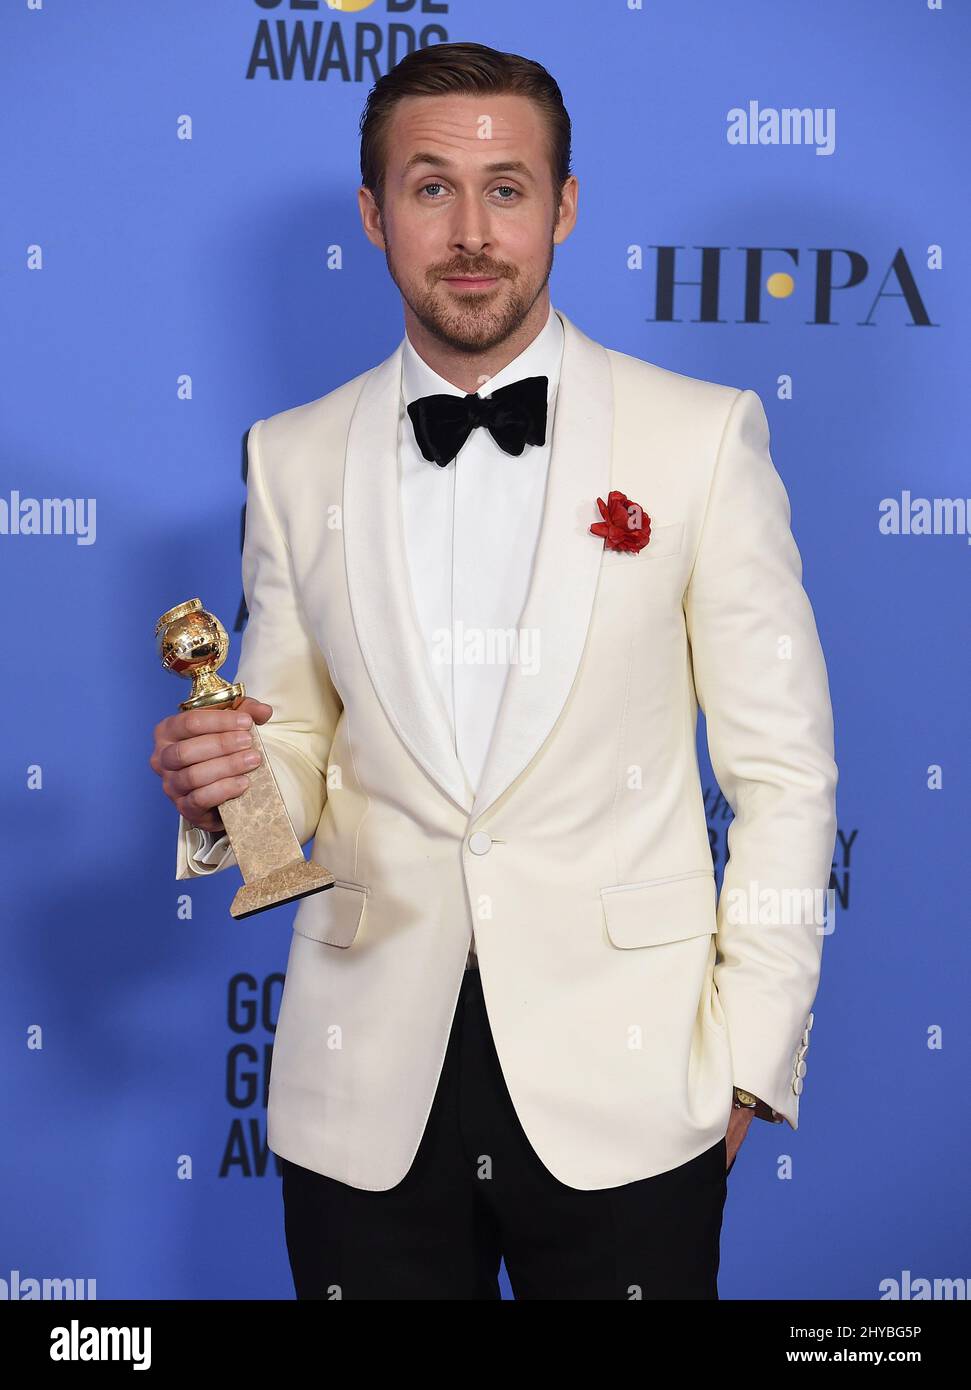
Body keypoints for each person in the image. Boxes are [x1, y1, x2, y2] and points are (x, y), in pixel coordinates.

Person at [150, 41, 837, 1300]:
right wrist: (226, 788)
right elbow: (291, 761)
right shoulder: (289, 458)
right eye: (428, 188)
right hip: (363, 1097)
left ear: (563, 206)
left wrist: (746, 1067)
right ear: (372, 214)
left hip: (631, 1092)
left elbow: (784, 777)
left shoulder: (699, 437)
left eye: (507, 188)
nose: (470, 232)